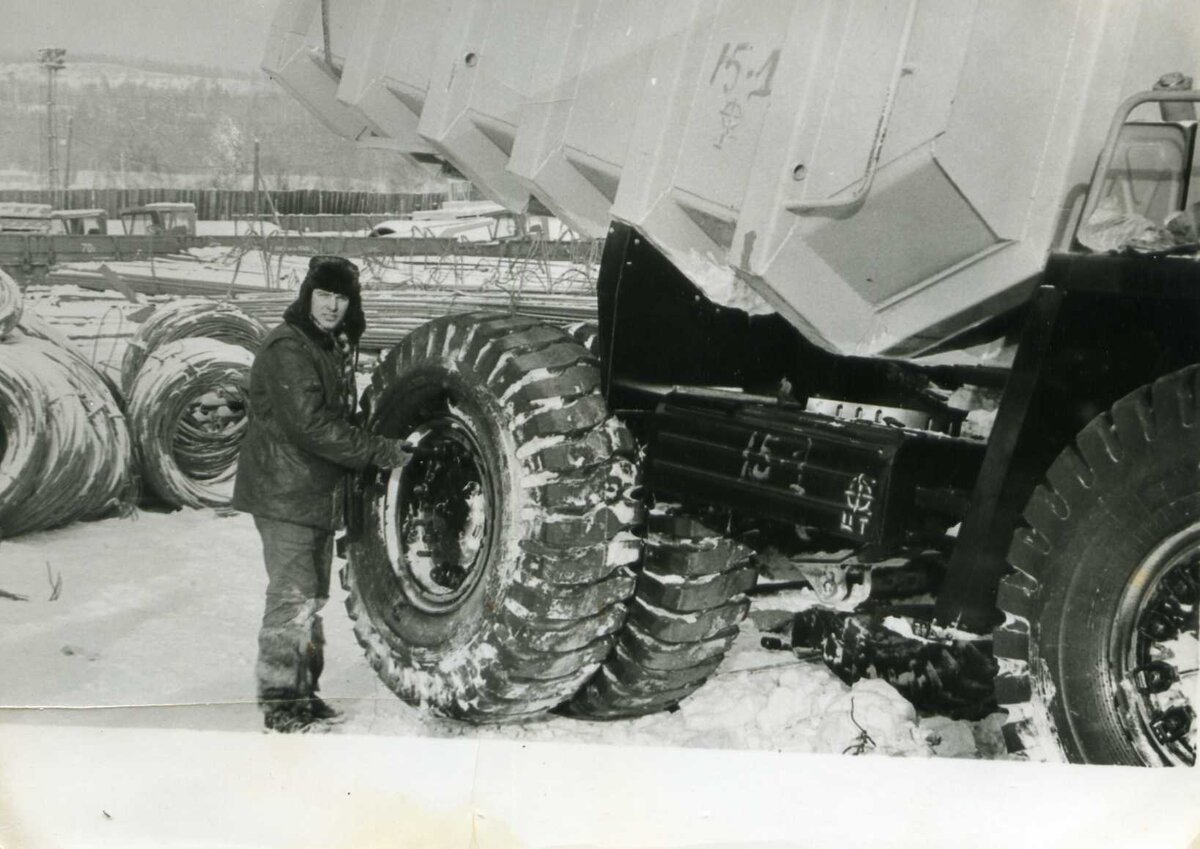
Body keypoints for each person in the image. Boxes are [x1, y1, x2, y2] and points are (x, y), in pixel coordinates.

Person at [232, 256, 412, 733]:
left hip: (311, 494)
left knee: (309, 600)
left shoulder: (327, 345)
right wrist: (377, 451)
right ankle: (281, 705)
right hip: (284, 494)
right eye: (324, 296)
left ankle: (304, 696)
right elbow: (311, 426)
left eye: (341, 298)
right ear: (307, 296)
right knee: (291, 600)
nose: (332, 306)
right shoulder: (287, 349)